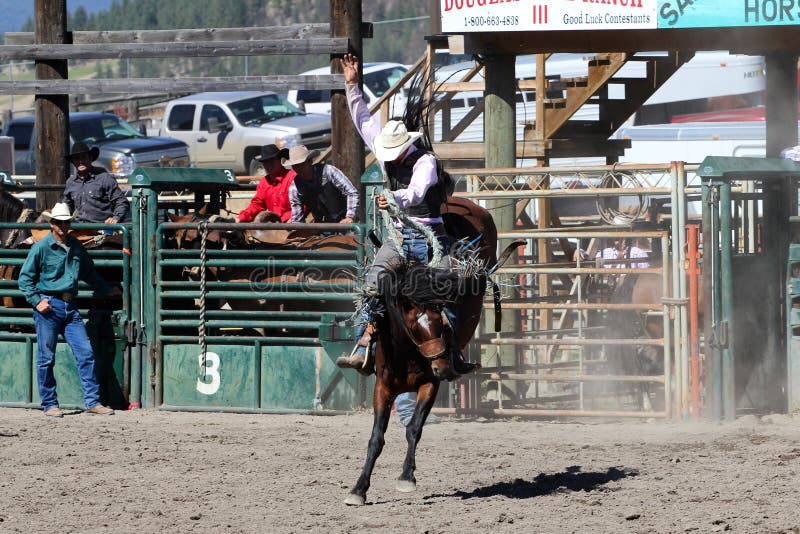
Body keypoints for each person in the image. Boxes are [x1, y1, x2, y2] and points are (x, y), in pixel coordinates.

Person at [336, 53, 478, 423]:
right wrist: (351, 85)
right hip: (398, 239)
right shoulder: (388, 152)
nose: (388, 157)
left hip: (430, 241)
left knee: (448, 290)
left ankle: (454, 352)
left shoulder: (425, 162)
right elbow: (363, 120)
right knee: (371, 287)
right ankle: (365, 343)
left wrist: (393, 198)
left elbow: (416, 192)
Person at [18, 203, 122, 418]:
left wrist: (105, 288)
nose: (63, 226)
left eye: (66, 222)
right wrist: (37, 301)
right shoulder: (41, 247)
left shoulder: (76, 246)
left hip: (70, 306)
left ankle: (92, 401)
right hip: (49, 306)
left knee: (86, 353)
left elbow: (89, 272)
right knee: (47, 358)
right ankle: (50, 404)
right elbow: (25, 278)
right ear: (52, 224)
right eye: (59, 222)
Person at [285, 145, 359, 224]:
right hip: (320, 225)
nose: (298, 168)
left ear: (310, 161)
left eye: (301, 164)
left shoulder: (329, 171)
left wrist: (349, 217)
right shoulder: (294, 187)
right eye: (295, 166)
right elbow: (297, 218)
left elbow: (352, 192)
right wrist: (296, 226)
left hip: (344, 221)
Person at [62, 141, 130, 224]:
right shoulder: (70, 182)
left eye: (83, 157)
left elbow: (121, 202)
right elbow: (67, 205)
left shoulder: (104, 178)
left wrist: (116, 218)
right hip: (78, 227)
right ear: (73, 162)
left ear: (90, 158)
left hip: (101, 227)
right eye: (76, 159)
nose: (80, 161)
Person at [238, 144, 295, 223]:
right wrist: (242, 217)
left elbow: (304, 203)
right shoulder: (264, 182)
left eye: (271, 160)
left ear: (279, 159)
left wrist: (294, 218)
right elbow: (256, 205)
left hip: (293, 224)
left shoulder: (292, 178)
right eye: (265, 161)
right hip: (275, 226)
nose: (268, 164)